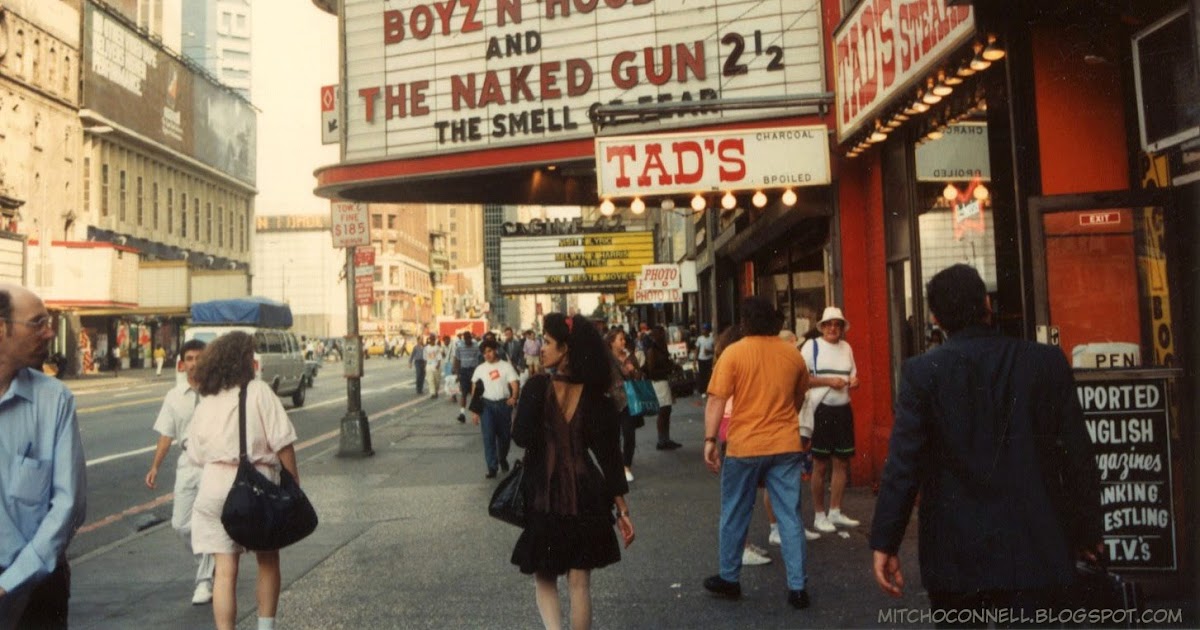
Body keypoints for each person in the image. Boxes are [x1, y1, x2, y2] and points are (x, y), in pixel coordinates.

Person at [870, 264, 1102, 619]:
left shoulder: (921, 374)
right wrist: (1087, 530)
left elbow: (903, 465)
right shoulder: (1046, 362)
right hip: (1036, 543)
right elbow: (1077, 455)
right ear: (987, 304)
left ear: (935, 317)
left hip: (955, 550)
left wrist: (886, 541)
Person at [511, 313, 635, 630]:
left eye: (548, 342)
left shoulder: (538, 387)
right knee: (579, 582)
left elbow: (521, 436)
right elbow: (609, 456)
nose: (541, 348)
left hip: (545, 496)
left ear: (565, 349)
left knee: (545, 575)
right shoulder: (595, 396)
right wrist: (622, 508)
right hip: (587, 496)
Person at [702, 296, 811, 610]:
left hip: (745, 445)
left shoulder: (734, 353)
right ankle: (798, 588)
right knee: (789, 515)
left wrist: (710, 439)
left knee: (735, 511)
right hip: (786, 444)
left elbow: (716, 401)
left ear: (745, 323)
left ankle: (730, 578)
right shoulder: (792, 354)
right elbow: (800, 396)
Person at [186, 331, 299, 630]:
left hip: (212, 489)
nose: (254, 360)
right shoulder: (258, 391)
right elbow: (283, 442)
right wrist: (294, 488)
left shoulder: (206, 400)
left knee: (224, 571)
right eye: (251, 355)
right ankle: (265, 627)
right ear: (242, 361)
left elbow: (195, 455)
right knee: (267, 559)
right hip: (254, 486)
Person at [0, 285, 87, 629]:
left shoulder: (55, 401)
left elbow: (69, 505)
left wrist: (10, 582)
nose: (49, 332)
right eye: (37, 323)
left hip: (37, 590)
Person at [144, 339, 216, 606]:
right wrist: (155, 466)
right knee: (181, 524)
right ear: (182, 363)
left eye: (199, 357)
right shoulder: (174, 396)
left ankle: (204, 581)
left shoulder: (218, 390)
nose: (194, 363)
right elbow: (167, 434)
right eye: (189, 358)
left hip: (214, 464)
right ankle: (209, 562)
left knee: (209, 520)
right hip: (187, 464)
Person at [800, 306, 862, 534]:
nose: (833, 328)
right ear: (822, 327)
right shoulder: (811, 346)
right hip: (821, 411)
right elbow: (800, 378)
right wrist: (828, 381)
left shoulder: (847, 347)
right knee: (820, 464)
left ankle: (835, 511)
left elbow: (853, 375)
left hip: (843, 410)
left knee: (842, 461)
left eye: (837, 324)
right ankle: (819, 515)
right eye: (829, 324)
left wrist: (855, 382)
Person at [469, 339, 520, 478]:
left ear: (495, 350)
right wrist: (475, 412)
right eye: (485, 353)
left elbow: (515, 383)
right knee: (488, 437)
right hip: (487, 406)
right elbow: (475, 390)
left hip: (504, 405)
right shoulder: (480, 369)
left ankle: (502, 458)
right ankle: (492, 467)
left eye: (490, 351)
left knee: (505, 438)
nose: (488, 355)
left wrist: (514, 397)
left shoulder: (506, 366)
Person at [605, 328, 641, 483]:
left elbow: (640, 376)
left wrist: (633, 371)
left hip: (628, 400)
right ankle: (617, 465)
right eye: (620, 339)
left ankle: (627, 466)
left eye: (624, 339)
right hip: (611, 400)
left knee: (629, 434)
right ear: (612, 342)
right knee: (613, 436)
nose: (623, 342)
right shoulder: (606, 359)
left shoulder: (630, 357)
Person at [642, 325, 679, 450]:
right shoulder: (653, 350)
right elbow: (652, 371)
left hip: (663, 381)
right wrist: (668, 369)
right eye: (662, 334)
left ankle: (665, 438)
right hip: (658, 382)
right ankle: (662, 440)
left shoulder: (661, 348)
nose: (664, 336)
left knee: (667, 410)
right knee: (663, 411)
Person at [453, 332, 483, 423]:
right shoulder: (459, 347)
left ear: (471, 338)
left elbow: (480, 358)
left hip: (474, 371)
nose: (467, 341)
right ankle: (462, 414)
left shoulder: (476, 346)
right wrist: (457, 374)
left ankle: (476, 414)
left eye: (469, 339)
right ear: (463, 339)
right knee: (464, 393)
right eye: (466, 339)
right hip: (464, 372)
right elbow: (457, 360)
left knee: (475, 393)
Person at [695, 323, 714, 398]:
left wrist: (709, 352)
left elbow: (714, 350)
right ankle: (702, 390)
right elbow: (697, 349)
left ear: (708, 331)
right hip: (701, 359)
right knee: (702, 375)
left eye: (705, 329)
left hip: (709, 359)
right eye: (703, 329)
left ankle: (709, 389)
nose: (704, 331)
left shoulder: (711, 339)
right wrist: (694, 360)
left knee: (709, 375)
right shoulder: (700, 339)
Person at [424, 334, 443, 399]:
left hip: (436, 365)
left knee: (437, 381)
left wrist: (438, 364)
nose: (432, 340)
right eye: (431, 339)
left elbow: (439, 358)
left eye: (433, 339)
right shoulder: (426, 348)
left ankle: (436, 391)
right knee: (430, 380)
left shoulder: (437, 347)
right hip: (429, 366)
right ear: (429, 340)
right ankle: (432, 393)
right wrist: (425, 367)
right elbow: (425, 358)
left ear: (435, 340)